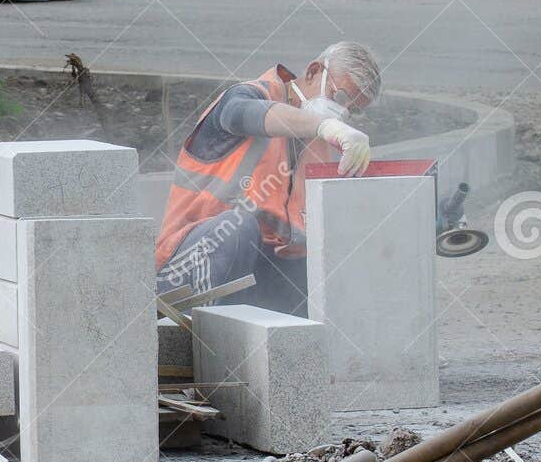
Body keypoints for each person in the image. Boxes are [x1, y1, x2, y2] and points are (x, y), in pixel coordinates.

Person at [155, 42, 381, 315]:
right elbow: (243, 113)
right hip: (185, 266)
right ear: (313, 72)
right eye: (341, 98)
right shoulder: (247, 96)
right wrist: (325, 126)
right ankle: (203, 343)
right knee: (238, 229)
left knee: (322, 269)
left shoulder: (317, 146)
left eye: (352, 111)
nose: (342, 113)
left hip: (253, 271)